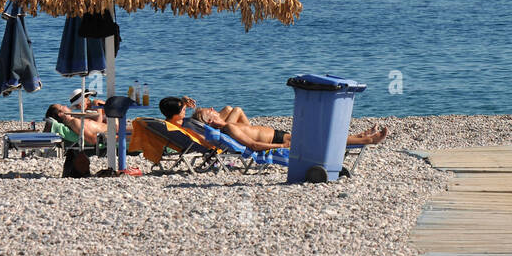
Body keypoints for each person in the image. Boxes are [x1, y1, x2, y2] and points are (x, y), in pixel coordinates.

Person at [158, 96, 388, 154]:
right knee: (320, 139)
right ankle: (366, 140)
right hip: (278, 141)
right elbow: (255, 146)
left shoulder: (221, 126)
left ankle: (359, 137)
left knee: (318, 136)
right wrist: (284, 149)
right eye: (212, 112)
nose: (215, 110)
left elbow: (190, 119)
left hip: (277, 134)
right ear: (211, 120)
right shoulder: (228, 128)